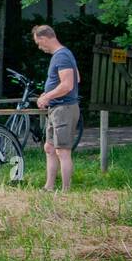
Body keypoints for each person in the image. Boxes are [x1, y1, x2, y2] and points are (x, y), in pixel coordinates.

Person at [32, 24, 80, 192]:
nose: (39, 47)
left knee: (62, 151)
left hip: (64, 108)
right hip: (56, 108)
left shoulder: (61, 56)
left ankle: (66, 190)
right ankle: (49, 186)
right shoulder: (63, 55)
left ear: (45, 38)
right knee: (50, 148)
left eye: (39, 43)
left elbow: (68, 84)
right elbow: (78, 78)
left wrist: (47, 96)